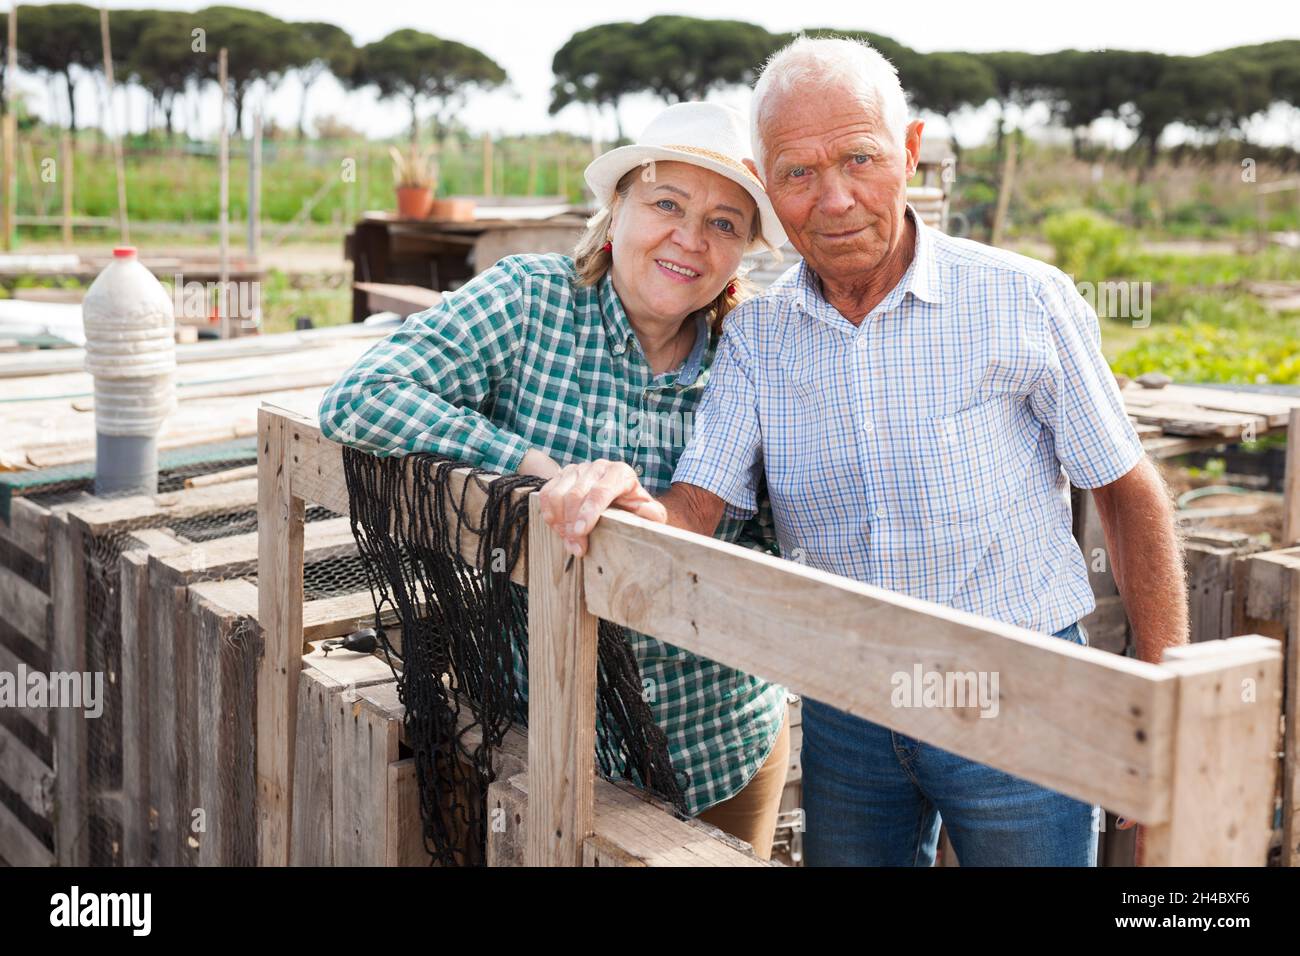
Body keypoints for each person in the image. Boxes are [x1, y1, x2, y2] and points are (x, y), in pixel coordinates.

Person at [538, 37, 1188, 866]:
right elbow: (698, 503)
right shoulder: (759, 335)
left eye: (860, 158)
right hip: (848, 699)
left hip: (1020, 688)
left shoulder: (1023, 298)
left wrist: (1165, 692)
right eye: (798, 173)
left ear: (909, 152)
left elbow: (1128, 491)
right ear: (766, 181)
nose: (835, 198)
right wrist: (627, 498)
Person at [319, 102, 792, 859]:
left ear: (743, 254)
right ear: (617, 211)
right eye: (666, 204)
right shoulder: (532, 300)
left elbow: (785, 536)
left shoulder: (757, 356)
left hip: (719, 744)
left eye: (725, 224)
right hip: (547, 737)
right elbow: (364, 396)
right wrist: (538, 469)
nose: (690, 238)